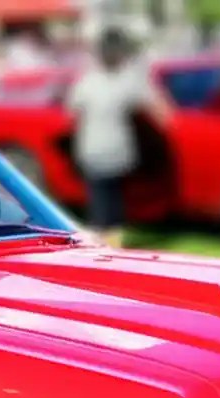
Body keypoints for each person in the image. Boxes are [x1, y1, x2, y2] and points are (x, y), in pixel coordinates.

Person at [66, 27, 169, 248]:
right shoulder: (128, 81)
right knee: (113, 205)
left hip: (91, 150)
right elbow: (158, 110)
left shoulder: (87, 80)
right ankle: (110, 243)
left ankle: (103, 243)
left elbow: (72, 111)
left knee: (101, 203)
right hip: (118, 152)